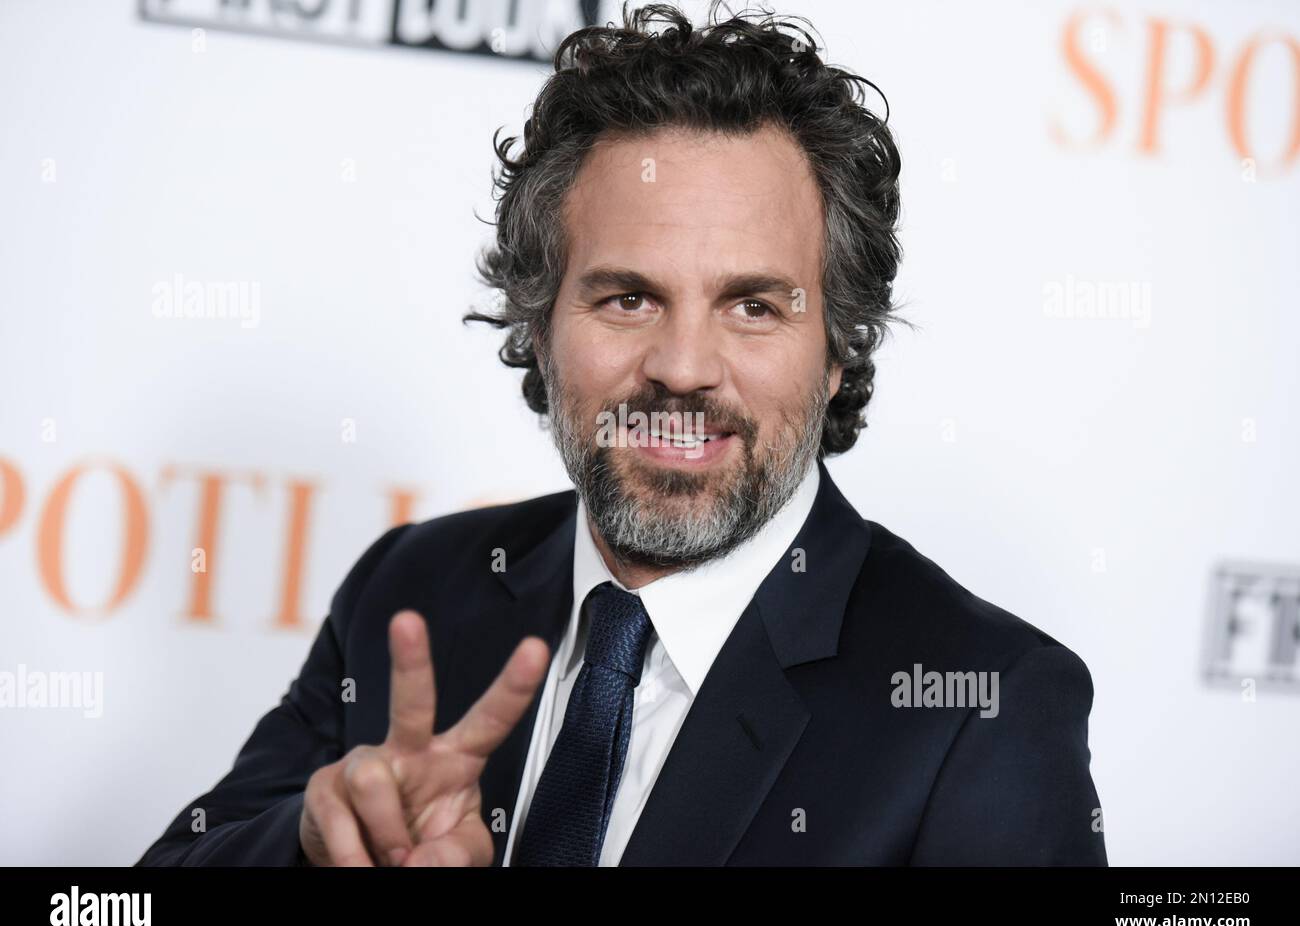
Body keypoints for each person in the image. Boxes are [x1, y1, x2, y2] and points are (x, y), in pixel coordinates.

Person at [138, 2, 1106, 867]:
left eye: (754, 305)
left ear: (836, 351)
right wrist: (316, 845)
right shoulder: (414, 589)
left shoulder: (978, 704)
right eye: (627, 295)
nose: (682, 365)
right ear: (539, 323)